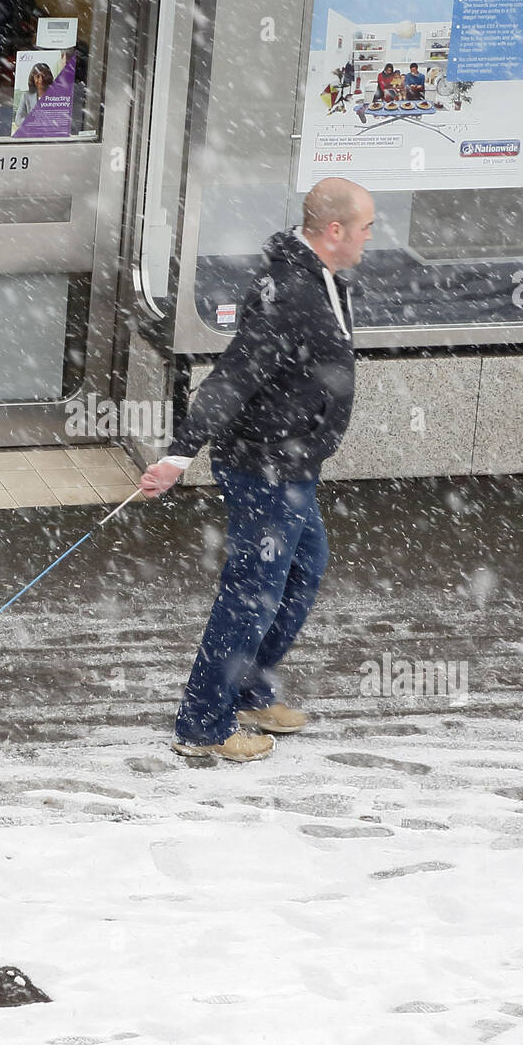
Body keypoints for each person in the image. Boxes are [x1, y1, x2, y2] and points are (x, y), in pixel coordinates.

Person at [140, 178, 375, 762]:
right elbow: (234, 376)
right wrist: (178, 453)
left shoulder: (316, 275)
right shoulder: (291, 290)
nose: (373, 236)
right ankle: (203, 724)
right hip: (266, 466)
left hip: (293, 464)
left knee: (303, 571)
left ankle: (245, 687)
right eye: (367, 225)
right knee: (253, 593)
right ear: (336, 231)